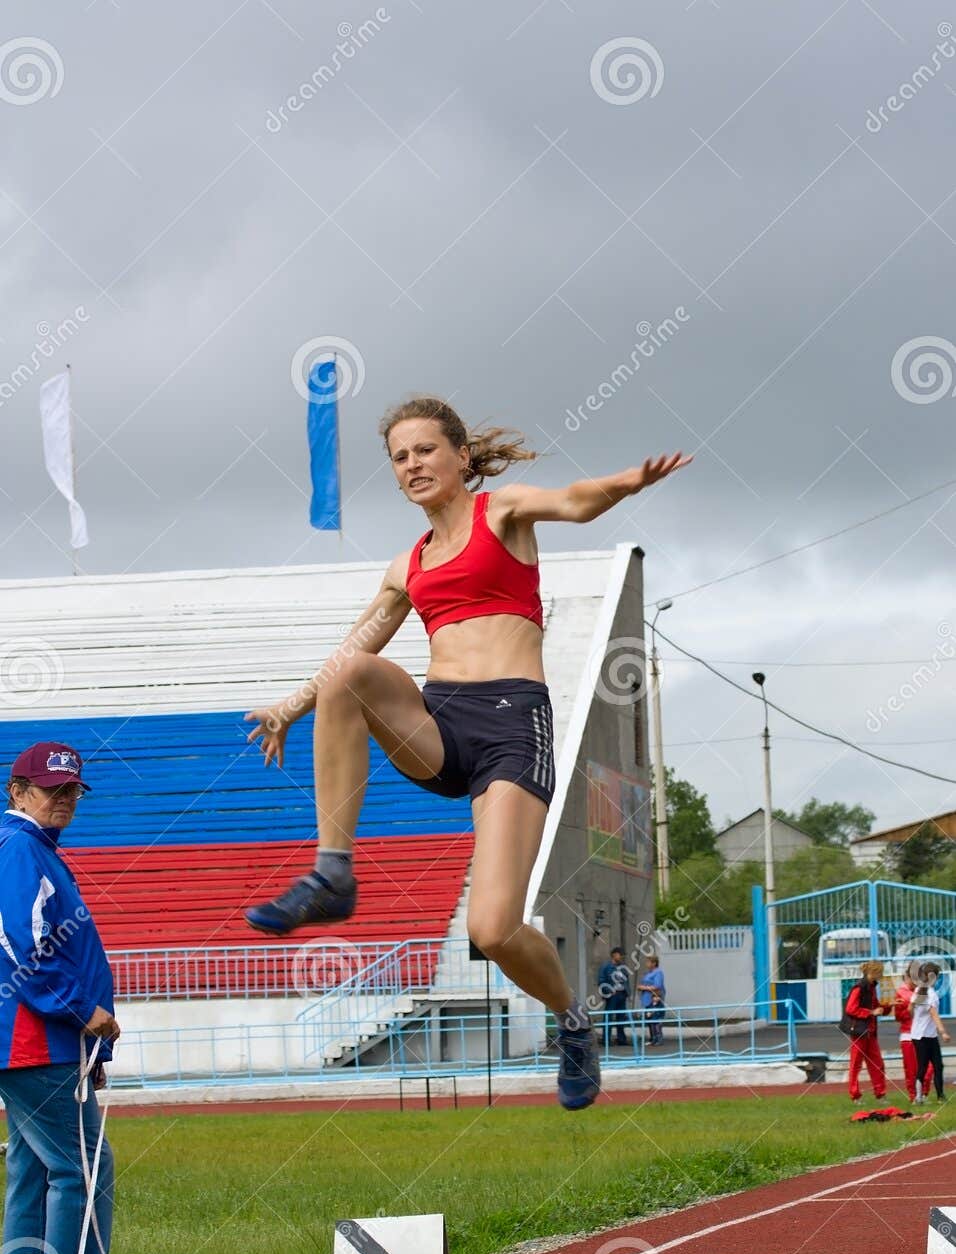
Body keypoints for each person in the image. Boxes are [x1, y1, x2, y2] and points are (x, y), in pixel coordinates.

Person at [244, 394, 690, 1110]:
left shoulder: (503, 514)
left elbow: (575, 502)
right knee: (349, 677)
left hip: (513, 727)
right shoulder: (408, 563)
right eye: (399, 456)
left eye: (425, 450)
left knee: (493, 928)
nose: (413, 464)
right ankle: (333, 873)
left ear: (459, 456)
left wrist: (625, 484)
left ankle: (573, 1022)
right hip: (439, 725)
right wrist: (287, 709)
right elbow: (355, 647)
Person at [0, 743, 119, 1254]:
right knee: (82, 1169)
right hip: (34, 1038)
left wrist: (91, 1052)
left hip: (42, 1041)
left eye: (73, 789)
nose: (66, 798)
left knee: (33, 1170)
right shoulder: (19, 847)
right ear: (17, 792)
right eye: (53, 789)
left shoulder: (35, 848)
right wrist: (78, 1009)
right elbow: (21, 944)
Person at [843, 960, 888, 1104]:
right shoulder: (859, 988)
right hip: (859, 1032)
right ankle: (855, 1095)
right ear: (873, 972)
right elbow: (850, 1009)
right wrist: (870, 1012)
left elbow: (875, 1006)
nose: (882, 975)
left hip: (870, 1032)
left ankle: (880, 1094)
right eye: (880, 972)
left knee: (878, 1064)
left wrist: (887, 1007)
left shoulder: (871, 987)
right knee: (856, 1065)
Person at [893, 967, 933, 1104]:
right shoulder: (902, 993)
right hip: (908, 1036)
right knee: (911, 1069)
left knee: (928, 1067)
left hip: (924, 1035)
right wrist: (909, 1010)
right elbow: (898, 1016)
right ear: (908, 978)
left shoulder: (923, 991)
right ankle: (914, 1096)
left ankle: (923, 1094)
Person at [910, 963, 949, 1104]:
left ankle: (939, 1095)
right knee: (924, 1066)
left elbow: (911, 1008)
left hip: (924, 1034)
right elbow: (933, 1014)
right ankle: (919, 1097)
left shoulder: (919, 991)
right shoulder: (929, 994)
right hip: (923, 1036)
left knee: (937, 1065)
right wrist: (943, 1032)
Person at [598, 947, 631, 1048]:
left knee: (621, 1017)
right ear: (614, 955)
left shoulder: (623, 967)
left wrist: (628, 993)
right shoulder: (606, 966)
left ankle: (621, 1039)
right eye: (621, 955)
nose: (622, 957)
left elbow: (626, 981)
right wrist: (608, 991)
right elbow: (601, 981)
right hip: (612, 995)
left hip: (622, 994)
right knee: (608, 1017)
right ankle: (606, 1039)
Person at [638, 953, 666, 1046]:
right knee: (649, 1019)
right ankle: (652, 1038)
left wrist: (643, 988)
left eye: (648, 962)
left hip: (654, 999)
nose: (647, 964)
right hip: (647, 999)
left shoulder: (658, 972)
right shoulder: (648, 973)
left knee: (656, 1019)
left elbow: (657, 986)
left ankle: (659, 1038)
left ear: (654, 963)